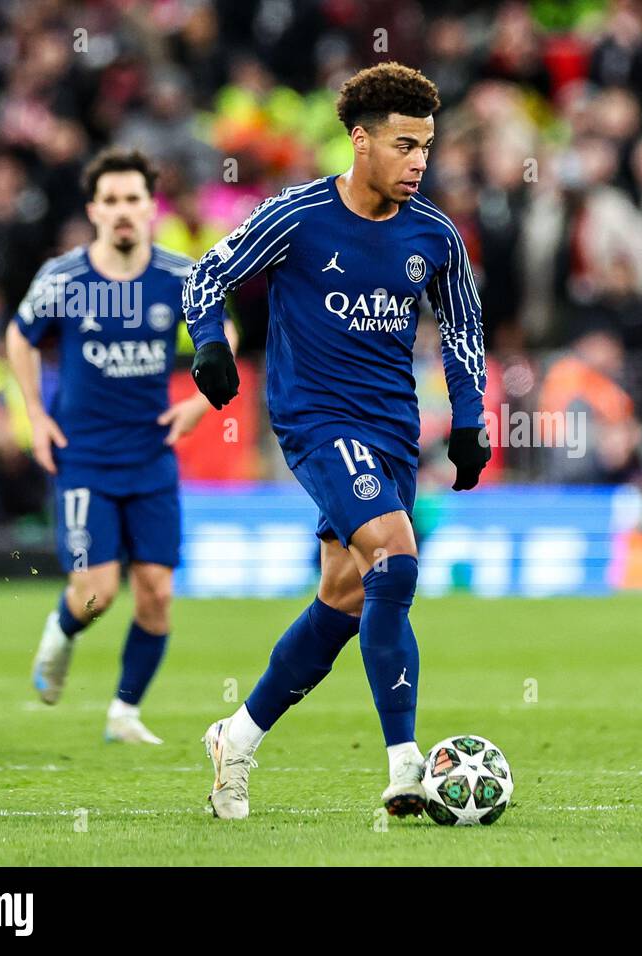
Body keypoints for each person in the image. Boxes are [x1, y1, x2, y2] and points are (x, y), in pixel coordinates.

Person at [183, 63, 490, 819]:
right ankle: (407, 765)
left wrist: (471, 418)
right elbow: (206, 274)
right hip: (317, 422)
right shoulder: (298, 216)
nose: (420, 161)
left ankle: (239, 735)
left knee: (346, 597)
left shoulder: (435, 235)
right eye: (404, 145)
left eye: (427, 146)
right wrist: (209, 344)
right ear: (360, 141)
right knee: (395, 555)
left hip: (391, 431)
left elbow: (463, 331)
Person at [6, 148, 233, 742]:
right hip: (83, 457)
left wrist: (198, 403)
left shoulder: (182, 276)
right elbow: (19, 335)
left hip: (152, 455)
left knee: (157, 592)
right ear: (93, 210)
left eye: (133, 198)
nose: (123, 211)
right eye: (110, 201)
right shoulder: (65, 278)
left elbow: (223, 330)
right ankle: (60, 631)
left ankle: (124, 714)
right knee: (97, 594)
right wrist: (34, 413)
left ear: (150, 207)